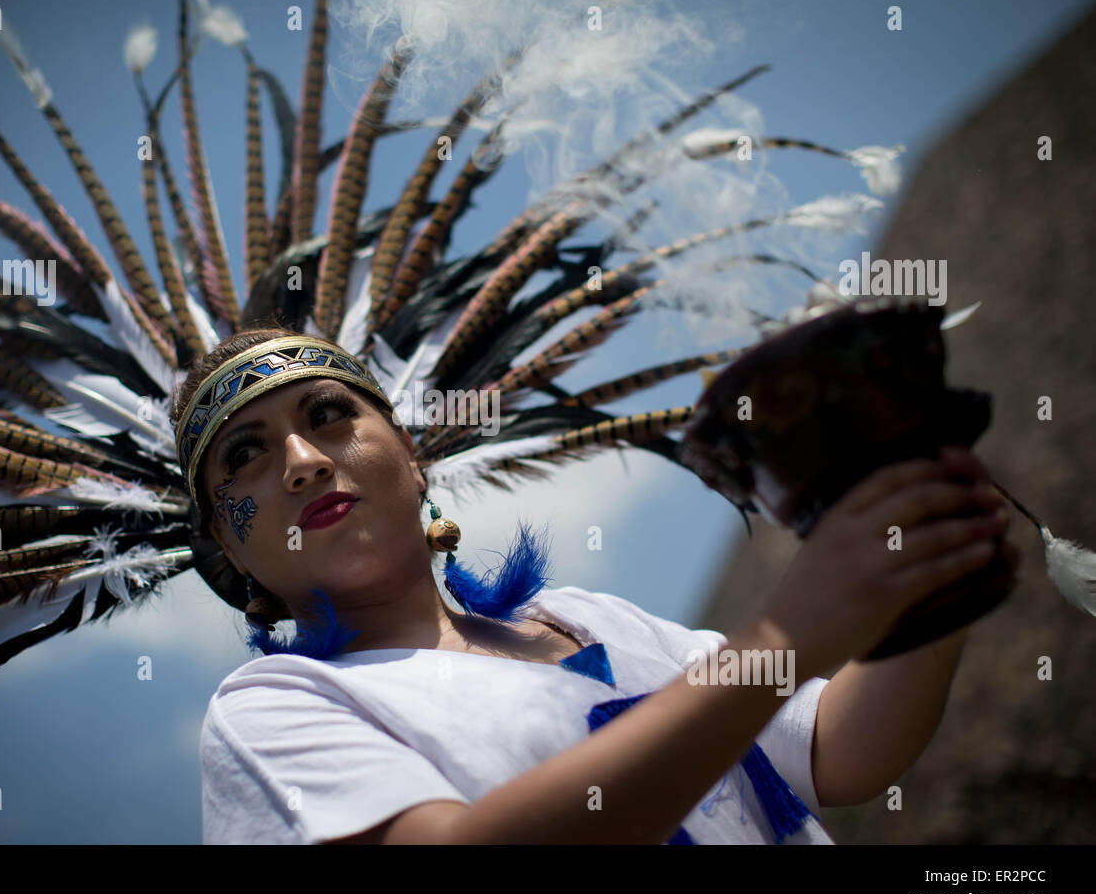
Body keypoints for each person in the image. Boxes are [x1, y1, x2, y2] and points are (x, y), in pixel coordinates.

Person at [173, 326, 1019, 845]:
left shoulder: (587, 618)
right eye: (244, 455)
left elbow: (837, 749)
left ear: (409, 452)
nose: (305, 462)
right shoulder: (275, 707)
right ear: (225, 544)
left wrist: (936, 573)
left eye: (328, 414)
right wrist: (784, 637)